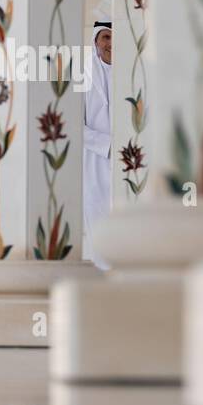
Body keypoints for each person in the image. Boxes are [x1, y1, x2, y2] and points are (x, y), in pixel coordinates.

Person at [83, 14, 113, 270]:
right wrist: (106, 144)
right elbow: (72, 122)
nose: (111, 43)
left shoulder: (134, 72)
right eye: (106, 37)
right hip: (94, 163)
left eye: (115, 37)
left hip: (129, 159)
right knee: (100, 225)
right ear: (96, 41)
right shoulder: (82, 75)